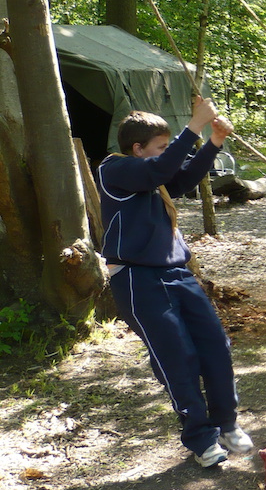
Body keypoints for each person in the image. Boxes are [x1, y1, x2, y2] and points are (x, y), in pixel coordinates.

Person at [98, 97, 255, 468]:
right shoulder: (115, 170)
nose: (166, 155)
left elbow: (181, 177)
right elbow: (161, 170)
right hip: (138, 279)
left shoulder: (152, 174)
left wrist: (213, 142)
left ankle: (226, 424)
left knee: (215, 345)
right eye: (160, 148)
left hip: (177, 273)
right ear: (138, 150)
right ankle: (201, 439)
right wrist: (194, 127)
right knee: (177, 357)